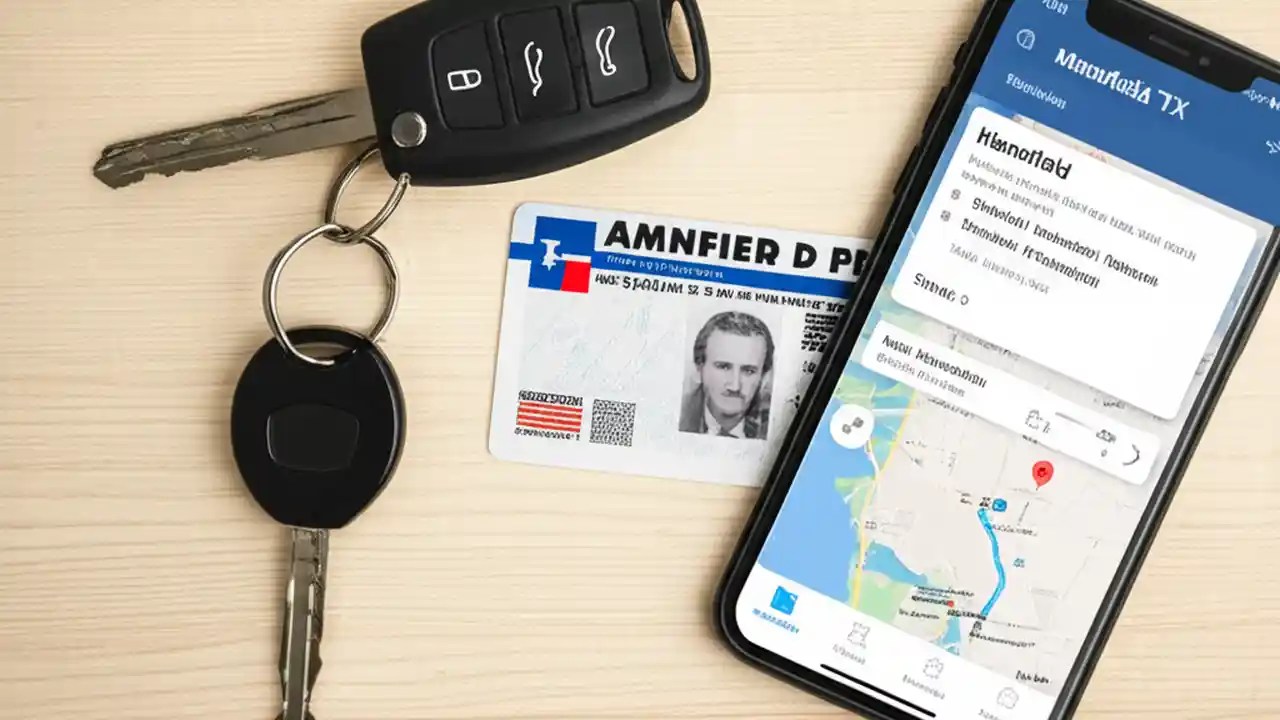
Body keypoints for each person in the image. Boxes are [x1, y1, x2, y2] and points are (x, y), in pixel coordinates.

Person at [679, 311, 774, 439]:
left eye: (748, 371)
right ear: (699, 369)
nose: (735, 386)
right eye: (723, 367)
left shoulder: (775, 430)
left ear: (764, 377)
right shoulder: (675, 419)